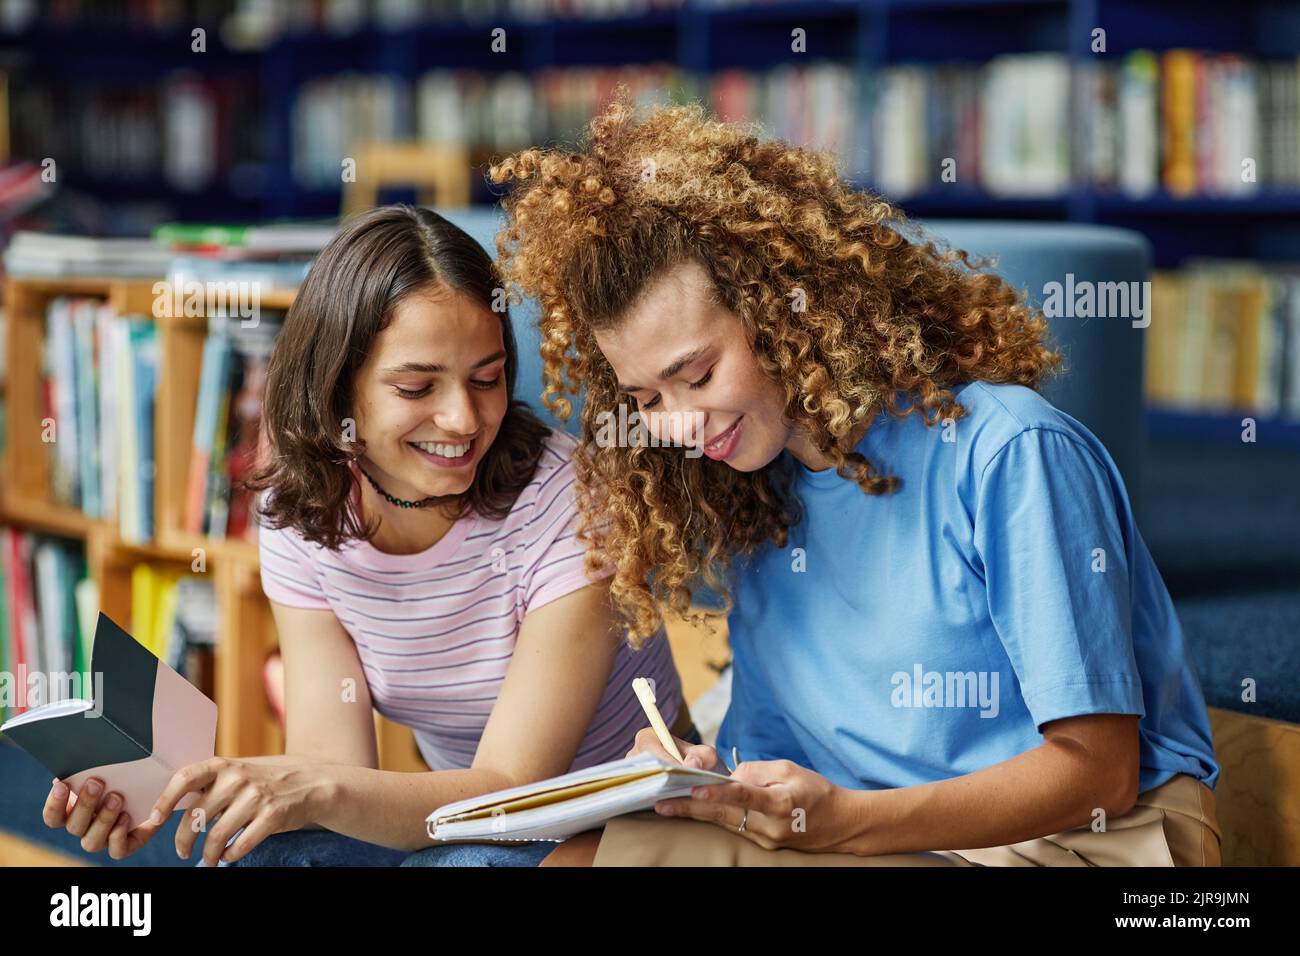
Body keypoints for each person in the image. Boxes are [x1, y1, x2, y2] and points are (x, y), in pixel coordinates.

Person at [487, 95, 1222, 867]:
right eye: (645, 400)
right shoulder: (753, 497)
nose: (680, 424)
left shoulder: (1010, 452)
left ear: (781, 310)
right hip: (876, 831)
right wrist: (709, 780)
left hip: (1079, 836)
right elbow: (779, 767)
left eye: (697, 375)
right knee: (583, 857)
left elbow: (1098, 774)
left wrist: (844, 822)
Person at [41, 204, 691, 867]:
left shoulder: (572, 502)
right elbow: (332, 769)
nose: (463, 418)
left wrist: (308, 790)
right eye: (417, 386)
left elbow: (509, 790)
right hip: (455, 818)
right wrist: (170, 798)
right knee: (275, 853)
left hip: (605, 821)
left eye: (487, 379)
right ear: (339, 386)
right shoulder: (297, 514)